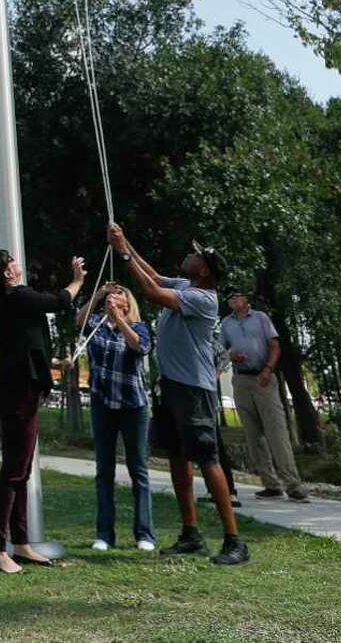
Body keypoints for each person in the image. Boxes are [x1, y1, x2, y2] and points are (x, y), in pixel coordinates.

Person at [108, 221, 249, 564]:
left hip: (194, 389)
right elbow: (154, 278)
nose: (189, 255)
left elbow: (152, 293)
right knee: (176, 457)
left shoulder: (203, 299)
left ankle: (234, 541)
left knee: (207, 458)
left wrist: (124, 252)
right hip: (171, 387)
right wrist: (124, 243)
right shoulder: (187, 284)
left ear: (203, 269)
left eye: (195, 255)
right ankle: (191, 534)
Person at [0, 246, 86, 574]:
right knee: (13, 472)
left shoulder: (10, 302)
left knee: (21, 472)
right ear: (7, 274)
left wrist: (53, 363)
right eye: (10, 261)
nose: (16, 262)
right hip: (17, 394)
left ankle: (21, 545)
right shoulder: (17, 296)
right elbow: (59, 302)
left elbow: (25, 347)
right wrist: (77, 280)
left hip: (22, 389)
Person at [81, 282, 156, 551]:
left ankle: (144, 534)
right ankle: (104, 534)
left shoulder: (140, 327)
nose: (114, 296)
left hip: (133, 406)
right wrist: (98, 294)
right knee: (104, 471)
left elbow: (139, 347)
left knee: (139, 470)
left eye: (120, 293)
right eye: (111, 293)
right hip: (102, 404)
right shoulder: (96, 324)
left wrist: (120, 320)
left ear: (128, 302)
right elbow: (79, 321)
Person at [221, 289, 308, 501]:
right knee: (253, 435)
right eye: (230, 297)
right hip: (241, 380)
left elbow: (275, 345)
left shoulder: (261, 318)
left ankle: (293, 485)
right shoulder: (226, 323)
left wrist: (268, 369)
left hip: (264, 378)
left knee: (276, 433)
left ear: (246, 299)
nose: (233, 300)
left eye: (237, 296)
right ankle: (270, 484)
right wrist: (231, 355)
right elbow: (221, 350)